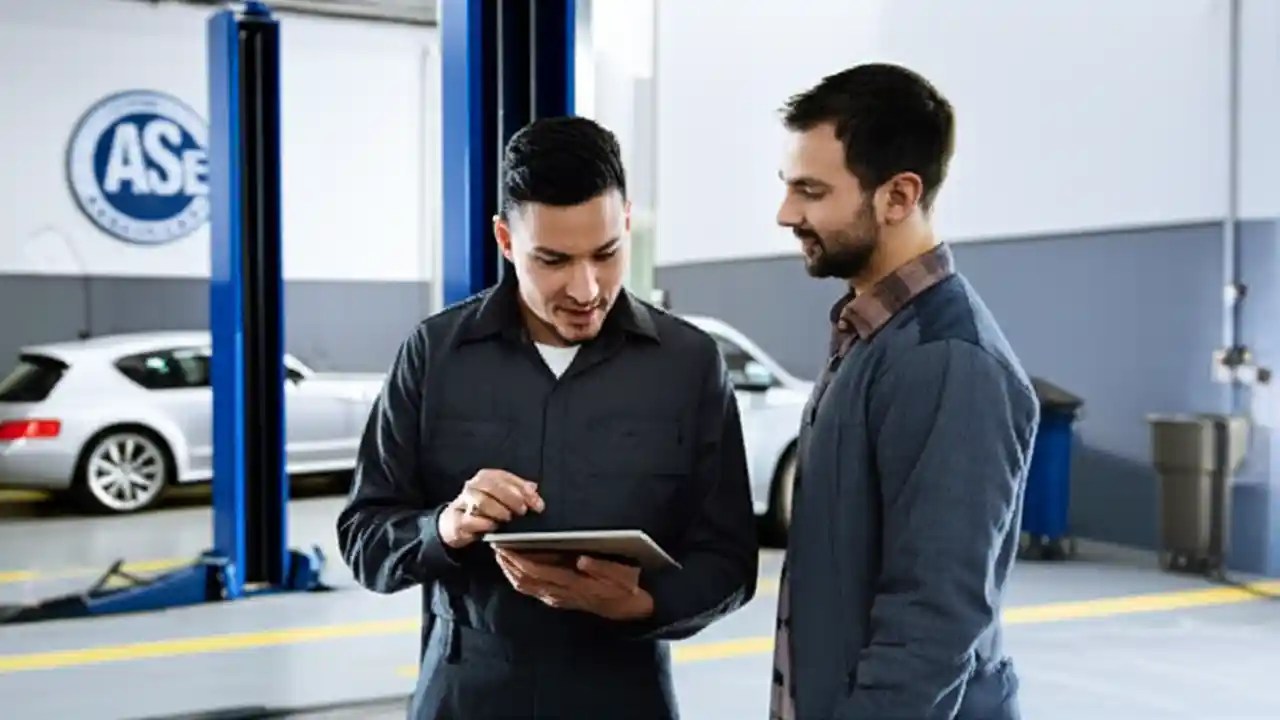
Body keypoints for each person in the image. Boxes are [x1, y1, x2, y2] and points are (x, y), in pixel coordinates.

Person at [336, 115, 758, 720]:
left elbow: (730, 560)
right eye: (553, 260)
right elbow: (364, 536)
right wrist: (446, 528)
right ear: (506, 241)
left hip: (623, 696)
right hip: (466, 696)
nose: (586, 288)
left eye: (607, 253)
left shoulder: (688, 365)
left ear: (628, 223)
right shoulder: (435, 357)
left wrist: (642, 603)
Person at [769, 63, 1040, 720]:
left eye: (811, 191)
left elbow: (931, 627)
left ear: (897, 196)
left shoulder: (949, 362)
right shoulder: (874, 332)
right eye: (787, 187)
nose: (786, 214)